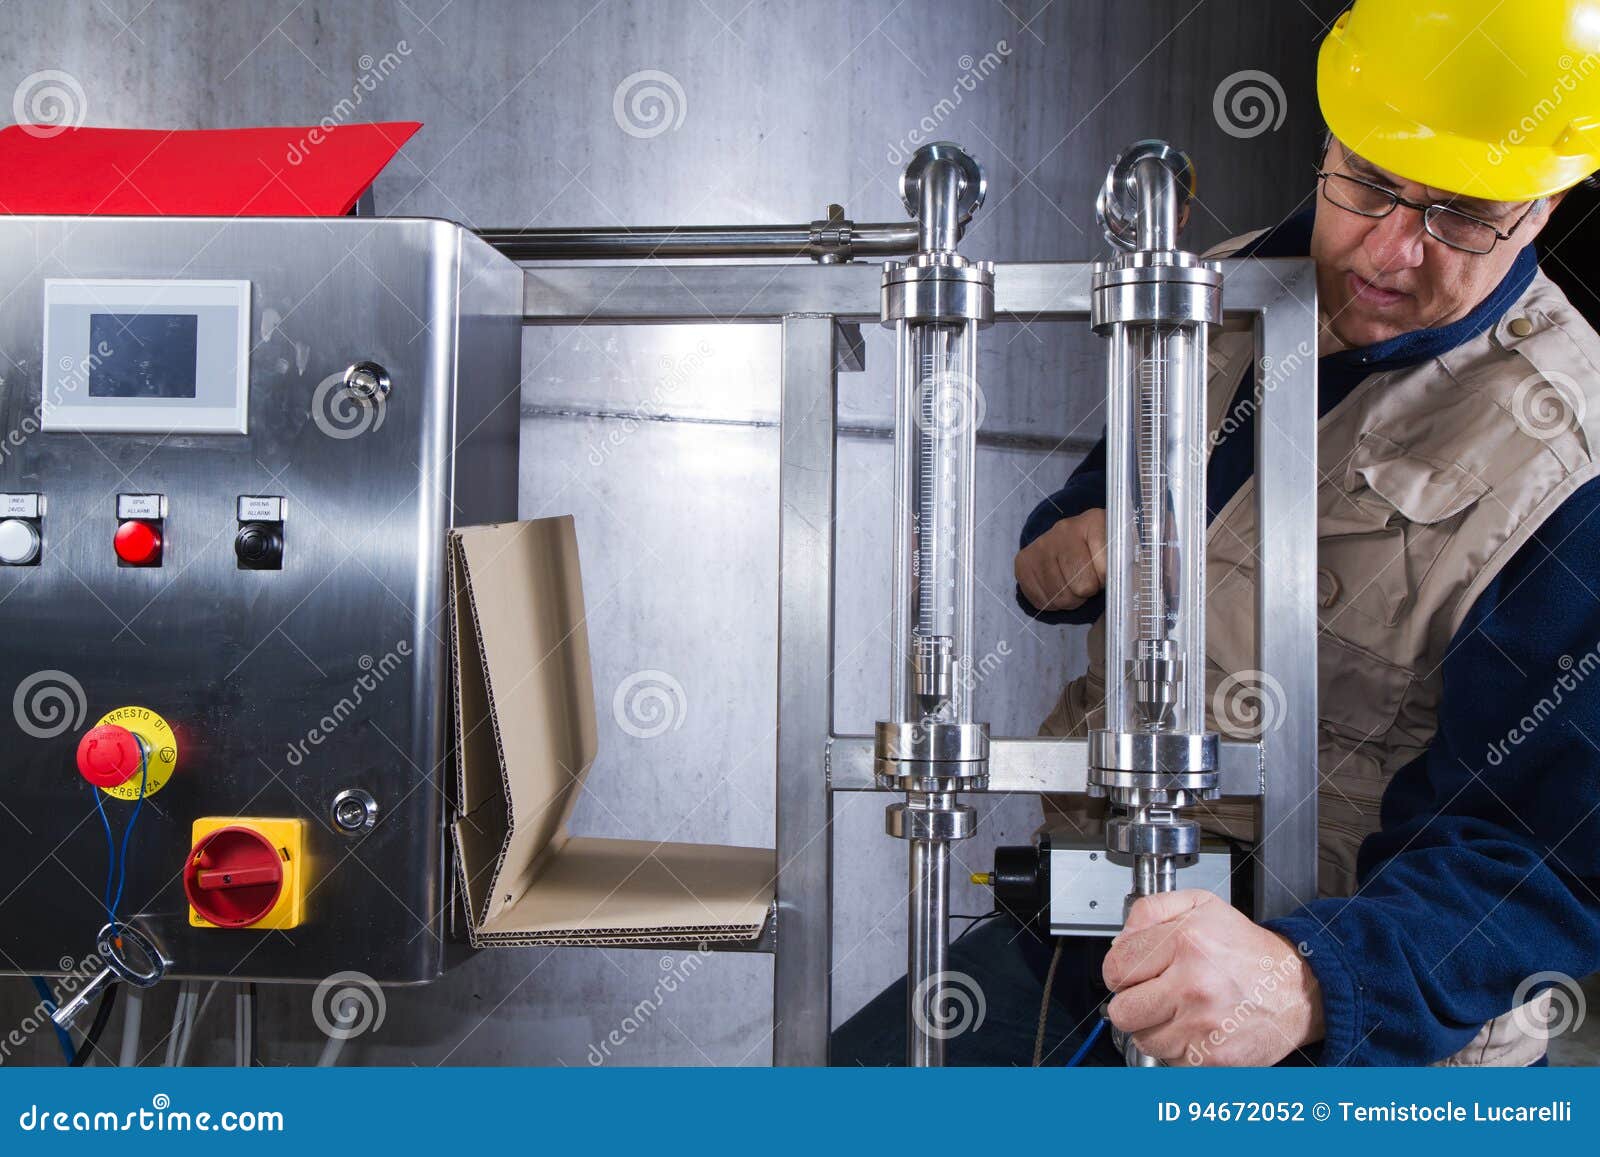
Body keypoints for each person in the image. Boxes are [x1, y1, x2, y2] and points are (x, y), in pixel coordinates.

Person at [835, 0, 1600, 1066]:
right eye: (1371, 182)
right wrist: (1065, 549)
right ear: (1331, 139)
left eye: (1462, 215)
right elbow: (1092, 502)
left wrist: (1307, 980)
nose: (1391, 249)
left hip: (1353, 1014)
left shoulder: (1566, 453)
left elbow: (1547, 853)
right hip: (1097, 927)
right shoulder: (1212, 291)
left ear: (1547, 202)